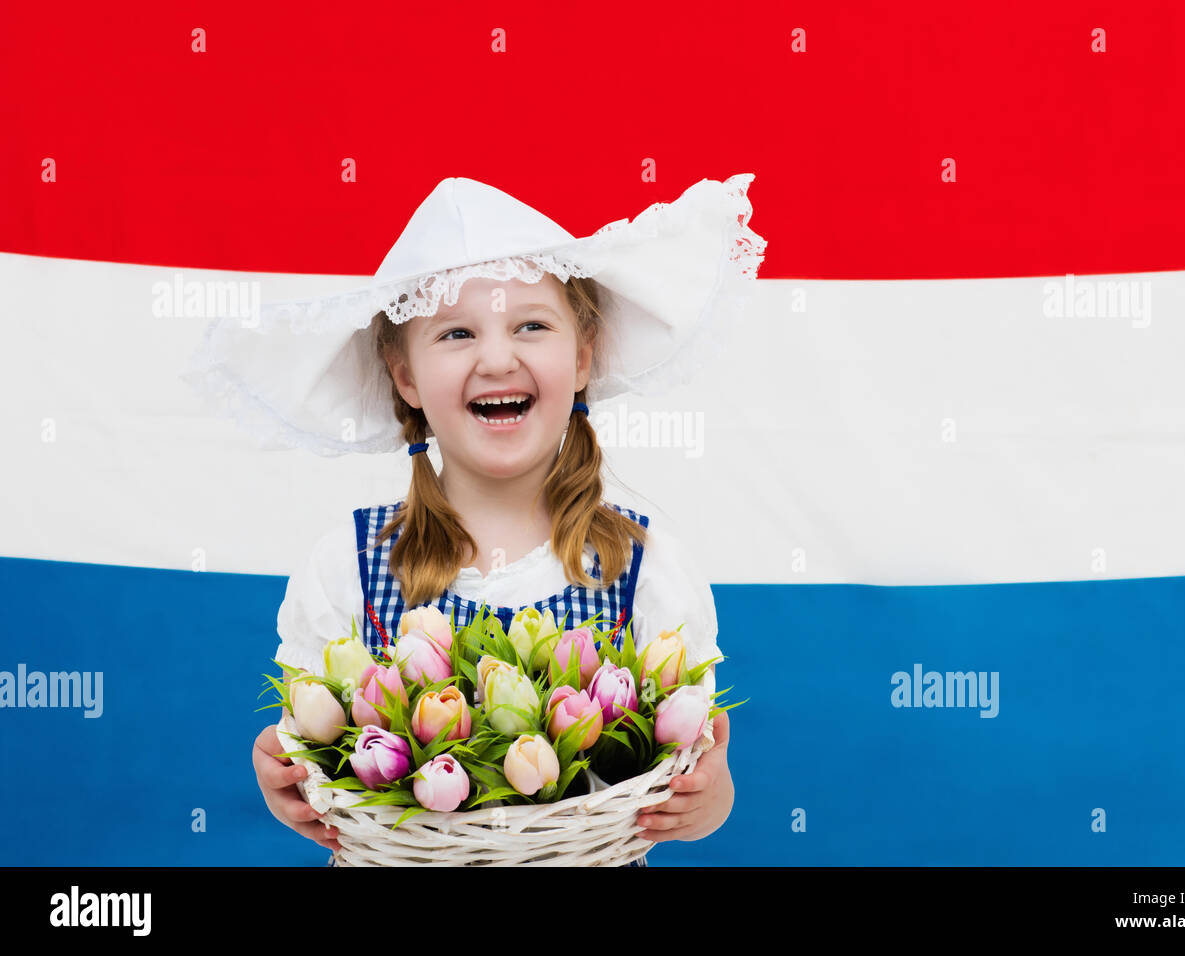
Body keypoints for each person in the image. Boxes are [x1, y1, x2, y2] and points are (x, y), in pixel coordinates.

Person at [183, 174, 765, 865]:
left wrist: (708, 800)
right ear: (405, 378)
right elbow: (311, 747)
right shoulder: (349, 563)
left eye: (531, 325)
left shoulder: (641, 563)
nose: (496, 358)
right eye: (456, 333)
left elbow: (696, 773)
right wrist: (282, 768)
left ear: (581, 357)